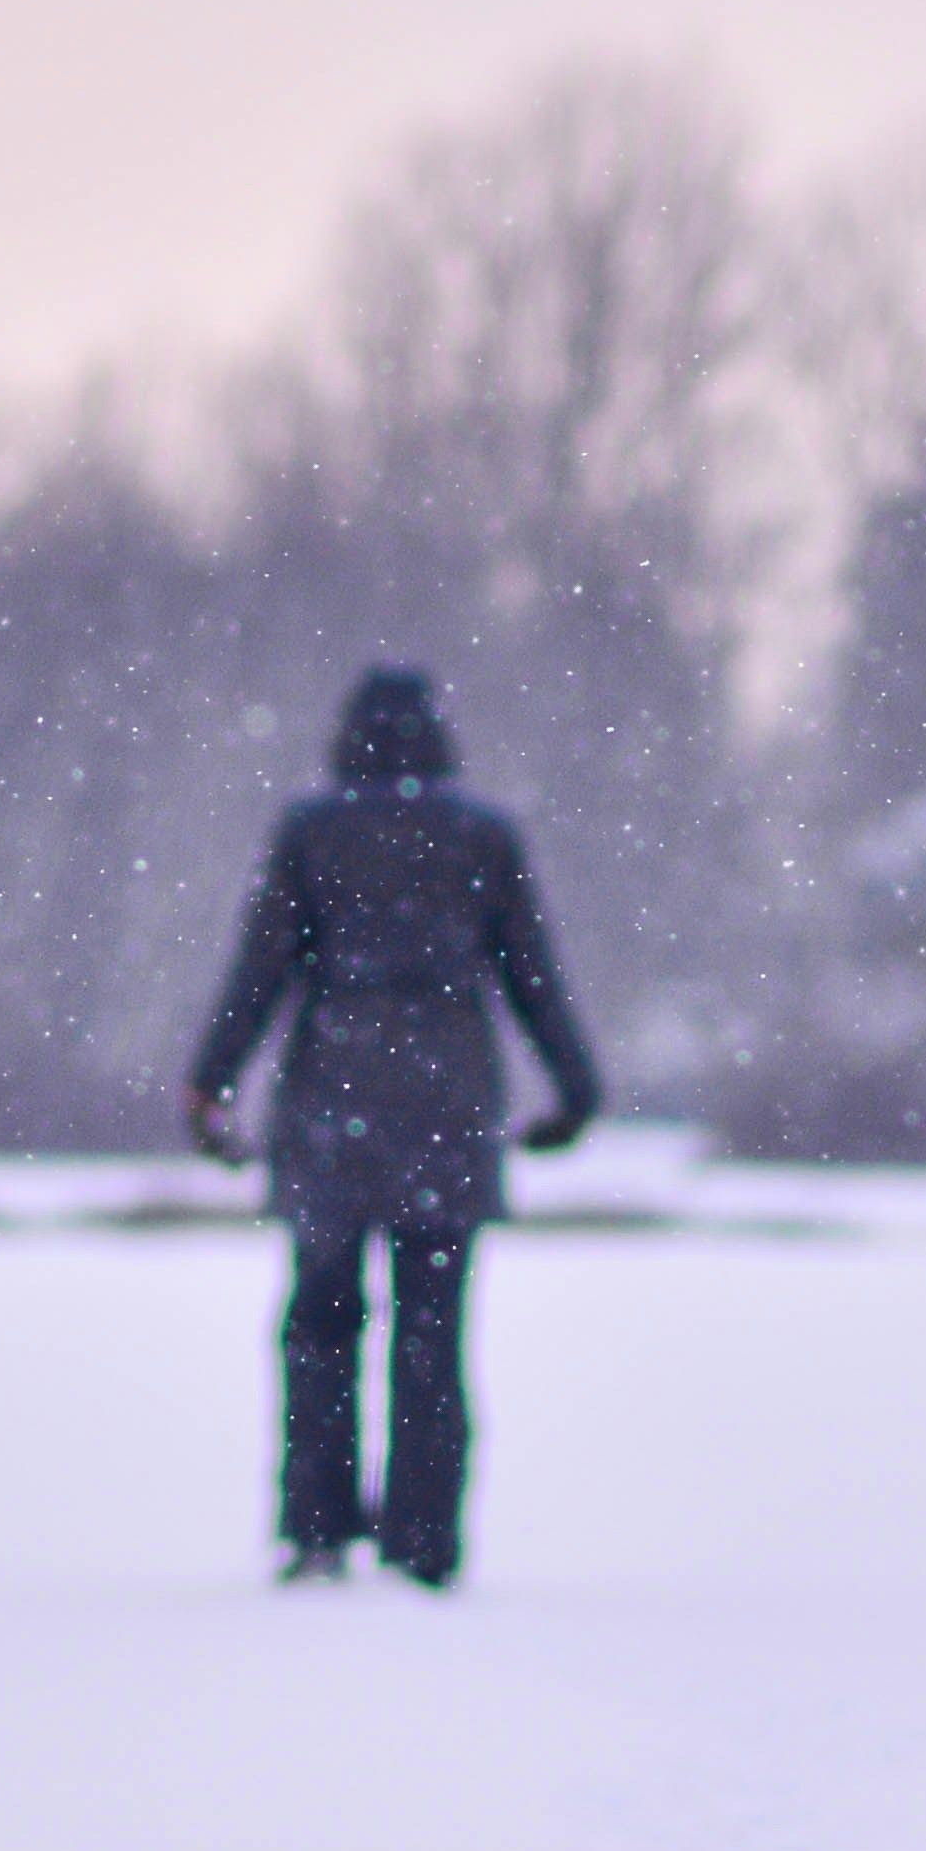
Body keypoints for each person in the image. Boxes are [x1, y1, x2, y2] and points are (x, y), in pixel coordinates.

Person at [183, 664, 600, 1588]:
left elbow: (261, 966)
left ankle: (316, 1527)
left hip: (331, 1106)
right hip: (446, 1114)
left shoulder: (312, 832)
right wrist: (575, 1089)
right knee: (431, 1336)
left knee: (321, 1326)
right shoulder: (481, 837)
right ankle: (422, 1538)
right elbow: (533, 974)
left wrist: (209, 1082)